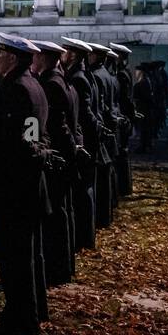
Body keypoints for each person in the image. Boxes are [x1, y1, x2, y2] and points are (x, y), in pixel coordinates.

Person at [0, 33, 51, 335]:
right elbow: (34, 138)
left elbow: (21, 143)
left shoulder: (16, 89)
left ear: (12, 57)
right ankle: (30, 310)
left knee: (15, 257)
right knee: (28, 255)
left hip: (12, 188)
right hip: (24, 186)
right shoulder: (32, 85)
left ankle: (22, 318)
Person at [30, 40, 78, 286]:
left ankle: (56, 267)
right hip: (63, 155)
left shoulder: (50, 84)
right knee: (62, 212)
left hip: (55, 156)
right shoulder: (62, 80)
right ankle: (63, 265)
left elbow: (52, 124)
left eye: (36, 57)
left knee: (55, 216)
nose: (33, 61)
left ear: (45, 59)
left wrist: (40, 147)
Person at [59, 38, 102, 251]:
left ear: (73, 55)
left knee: (82, 192)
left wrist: (82, 141)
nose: (62, 54)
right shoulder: (85, 75)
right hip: (88, 142)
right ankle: (85, 236)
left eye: (65, 51)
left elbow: (84, 114)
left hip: (84, 143)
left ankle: (83, 237)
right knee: (85, 190)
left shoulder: (78, 78)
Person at [87, 44, 119, 228]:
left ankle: (101, 217)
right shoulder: (108, 75)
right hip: (108, 127)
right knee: (106, 173)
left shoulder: (97, 77)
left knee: (100, 177)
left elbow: (100, 106)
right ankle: (105, 215)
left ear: (96, 57)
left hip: (102, 128)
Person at [109, 43, 135, 202]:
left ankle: (124, 187)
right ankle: (125, 186)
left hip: (123, 117)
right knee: (123, 153)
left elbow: (123, 99)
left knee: (121, 154)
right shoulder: (125, 73)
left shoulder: (121, 75)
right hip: (126, 117)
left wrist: (123, 117)